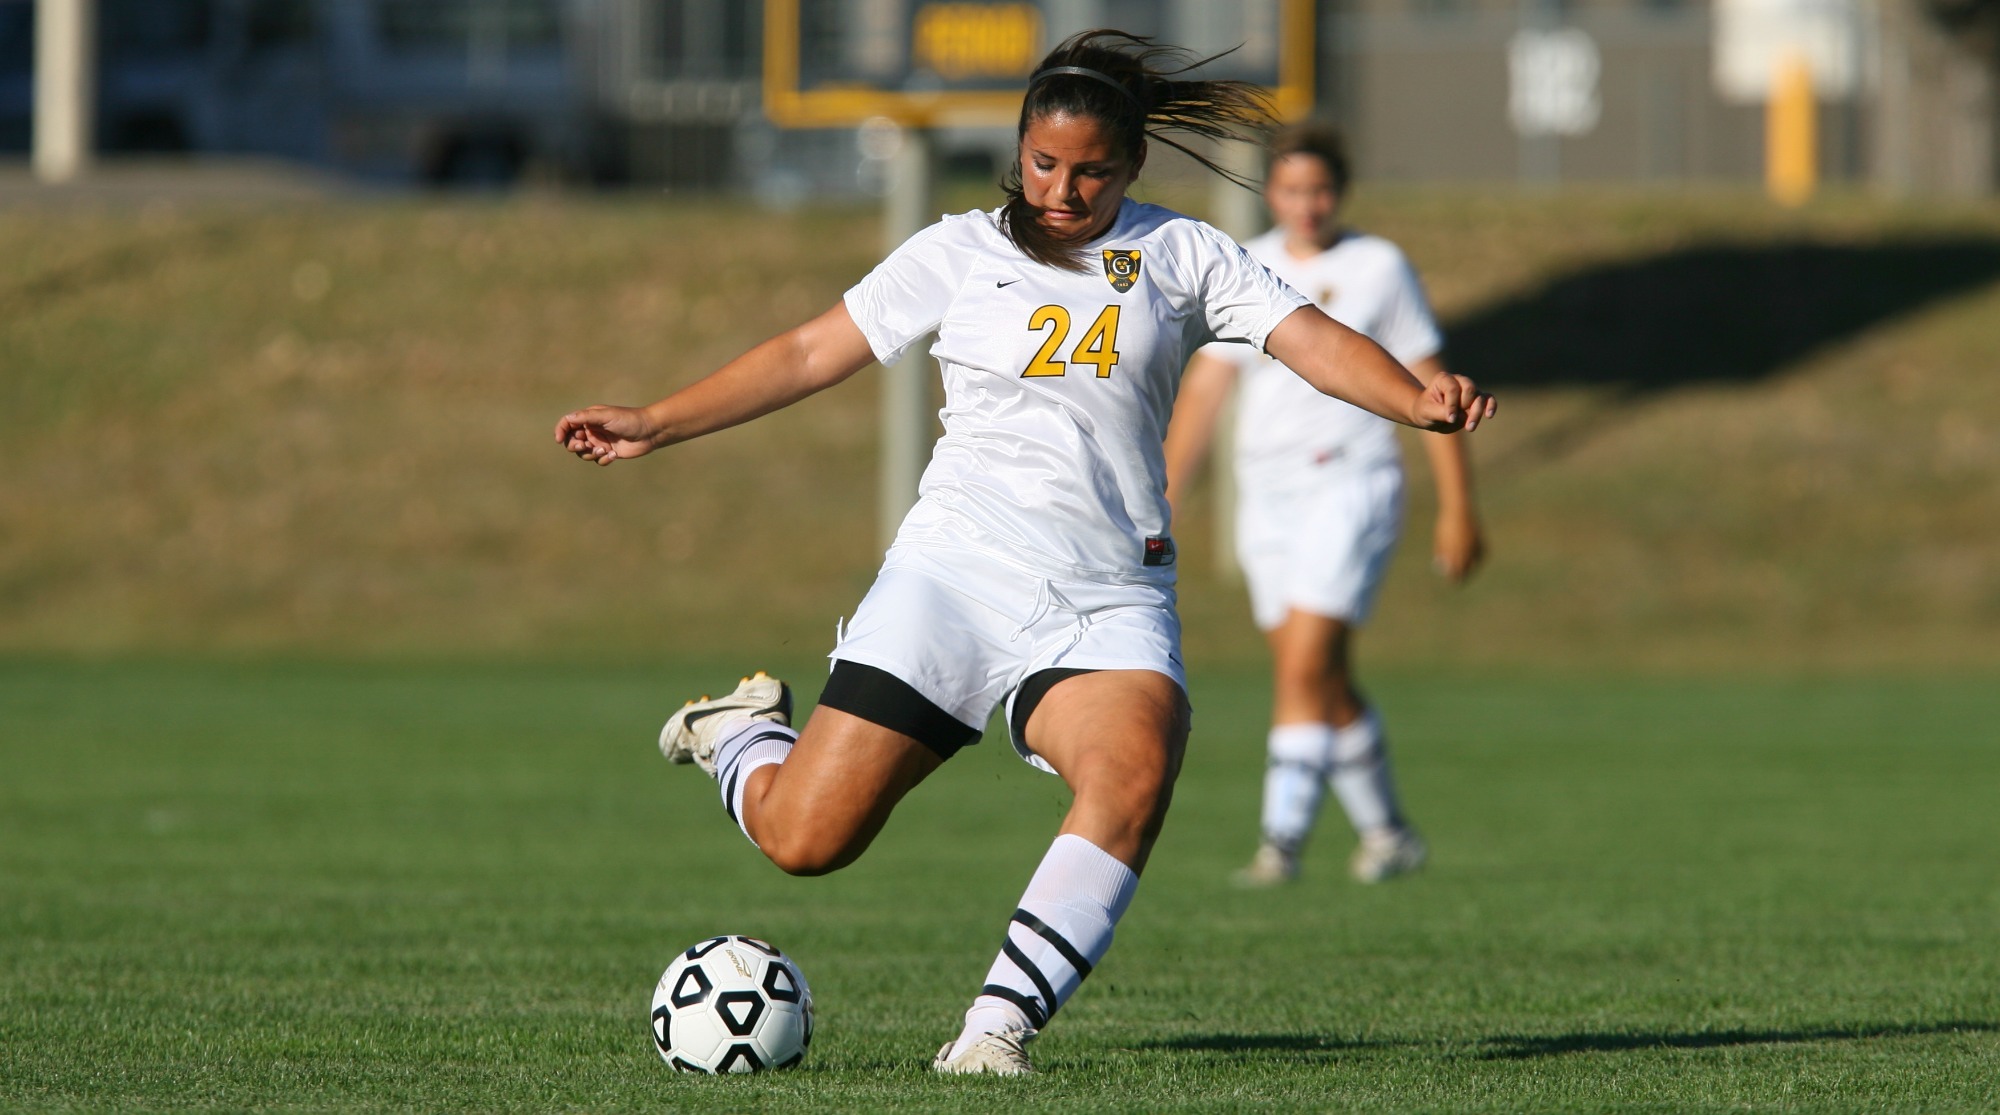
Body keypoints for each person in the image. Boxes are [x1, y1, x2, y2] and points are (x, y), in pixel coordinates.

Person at [555, 32, 1494, 1076]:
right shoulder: (956, 251)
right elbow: (809, 349)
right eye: (1043, 163)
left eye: (1090, 169)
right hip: (952, 577)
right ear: (1018, 150)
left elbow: (1306, 336)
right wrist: (655, 420)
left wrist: (1412, 397)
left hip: (1105, 594)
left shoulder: (1180, 255)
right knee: (804, 839)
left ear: (1131, 165)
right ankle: (737, 734)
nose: (1061, 188)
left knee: (1136, 764)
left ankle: (991, 1031)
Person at [1162, 125, 1485, 888]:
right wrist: (1163, 499)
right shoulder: (1250, 266)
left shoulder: (1377, 267)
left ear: (1340, 193)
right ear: (1271, 193)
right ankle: (1389, 833)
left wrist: (1459, 508)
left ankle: (1281, 843)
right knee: (1318, 678)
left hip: (1351, 482)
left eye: (1321, 190)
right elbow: (1207, 389)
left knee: (1302, 668)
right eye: (1292, 190)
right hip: (1267, 495)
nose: (1308, 205)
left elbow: (1430, 384)